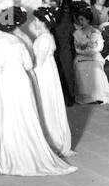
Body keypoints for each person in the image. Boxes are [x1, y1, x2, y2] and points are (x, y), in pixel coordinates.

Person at [0, 6, 76, 176]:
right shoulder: (19, 42)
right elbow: (28, 65)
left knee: (10, 118)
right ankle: (29, 152)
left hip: (9, 83)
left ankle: (12, 157)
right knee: (26, 117)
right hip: (23, 82)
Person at [26, 8, 74, 158]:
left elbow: (38, 63)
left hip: (44, 75)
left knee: (47, 105)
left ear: (43, 22)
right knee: (46, 106)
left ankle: (54, 141)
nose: (34, 22)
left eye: (36, 20)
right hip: (46, 73)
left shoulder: (45, 39)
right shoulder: (43, 37)